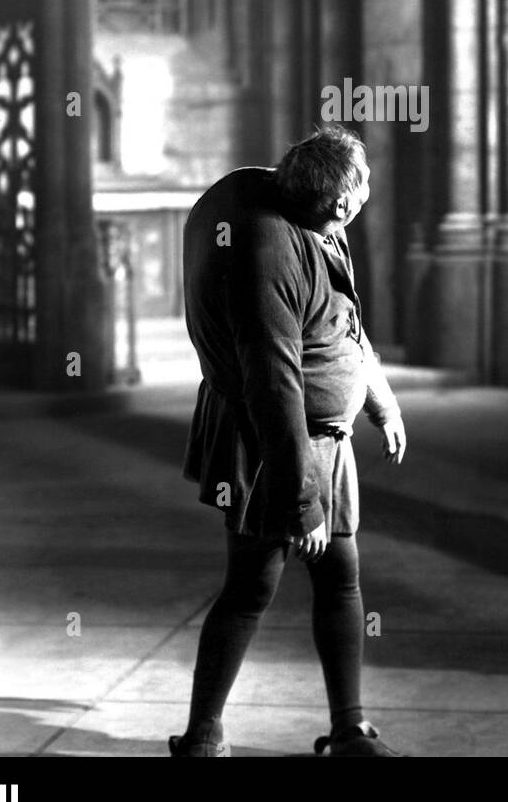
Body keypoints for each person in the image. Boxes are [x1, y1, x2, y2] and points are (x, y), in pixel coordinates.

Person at [173, 124, 407, 757]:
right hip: (274, 443)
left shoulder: (301, 206)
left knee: (340, 577)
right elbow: (273, 382)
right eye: (348, 209)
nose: (351, 218)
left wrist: (379, 398)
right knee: (253, 583)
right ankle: (202, 735)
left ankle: (349, 730)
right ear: (332, 202)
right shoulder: (267, 247)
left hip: (321, 440)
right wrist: (300, 500)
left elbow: (343, 322)